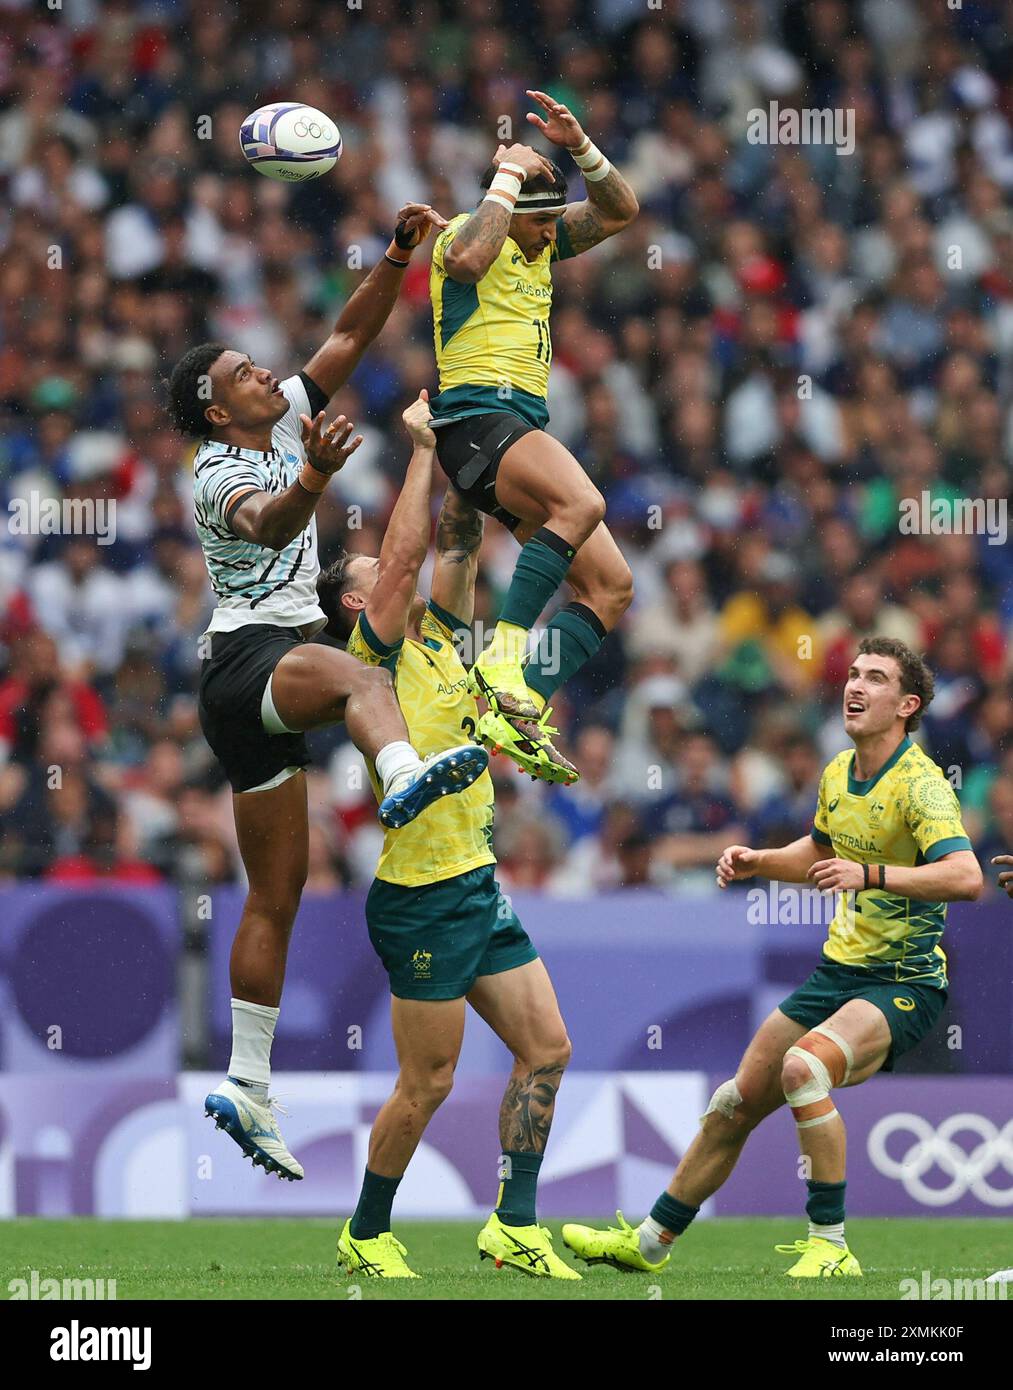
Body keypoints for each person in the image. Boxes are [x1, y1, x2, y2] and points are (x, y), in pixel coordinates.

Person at [168, 205, 488, 1184]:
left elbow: (350, 333)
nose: (262, 370)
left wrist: (398, 255)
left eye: (255, 364)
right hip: (251, 661)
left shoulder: (287, 408)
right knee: (356, 674)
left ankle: (245, 1082)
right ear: (217, 410)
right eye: (240, 375)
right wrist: (311, 474)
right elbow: (268, 527)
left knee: (277, 893)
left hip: (254, 679)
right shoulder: (219, 467)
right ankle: (400, 773)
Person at [563, 638, 982, 1278]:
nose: (856, 686)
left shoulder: (922, 785)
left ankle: (831, 1246)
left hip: (904, 980)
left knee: (804, 1071)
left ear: (907, 705)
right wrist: (760, 861)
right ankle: (647, 1244)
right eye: (854, 674)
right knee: (736, 1100)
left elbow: (964, 875)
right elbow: (819, 850)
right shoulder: (839, 771)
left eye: (876, 678)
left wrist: (869, 875)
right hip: (837, 973)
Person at [318, 391, 577, 1280]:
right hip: (422, 895)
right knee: (426, 1083)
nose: (387, 568)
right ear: (354, 599)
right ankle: (365, 1229)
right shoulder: (373, 648)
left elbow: (456, 539)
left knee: (548, 1050)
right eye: (368, 566)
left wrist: (470, 445)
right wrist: (423, 449)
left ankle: (514, 1221)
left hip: (476, 881)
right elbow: (400, 559)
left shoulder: (444, 633)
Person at [428, 91, 639, 782]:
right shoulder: (464, 236)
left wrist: (581, 147)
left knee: (610, 585)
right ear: (510, 206)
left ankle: (515, 707)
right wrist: (508, 176)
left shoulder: (536, 243)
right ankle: (505, 655)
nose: (553, 236)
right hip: (476, 423)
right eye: (542, 224)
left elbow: (619, 211)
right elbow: (468, 261)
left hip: (514, 433)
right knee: (582, 504)